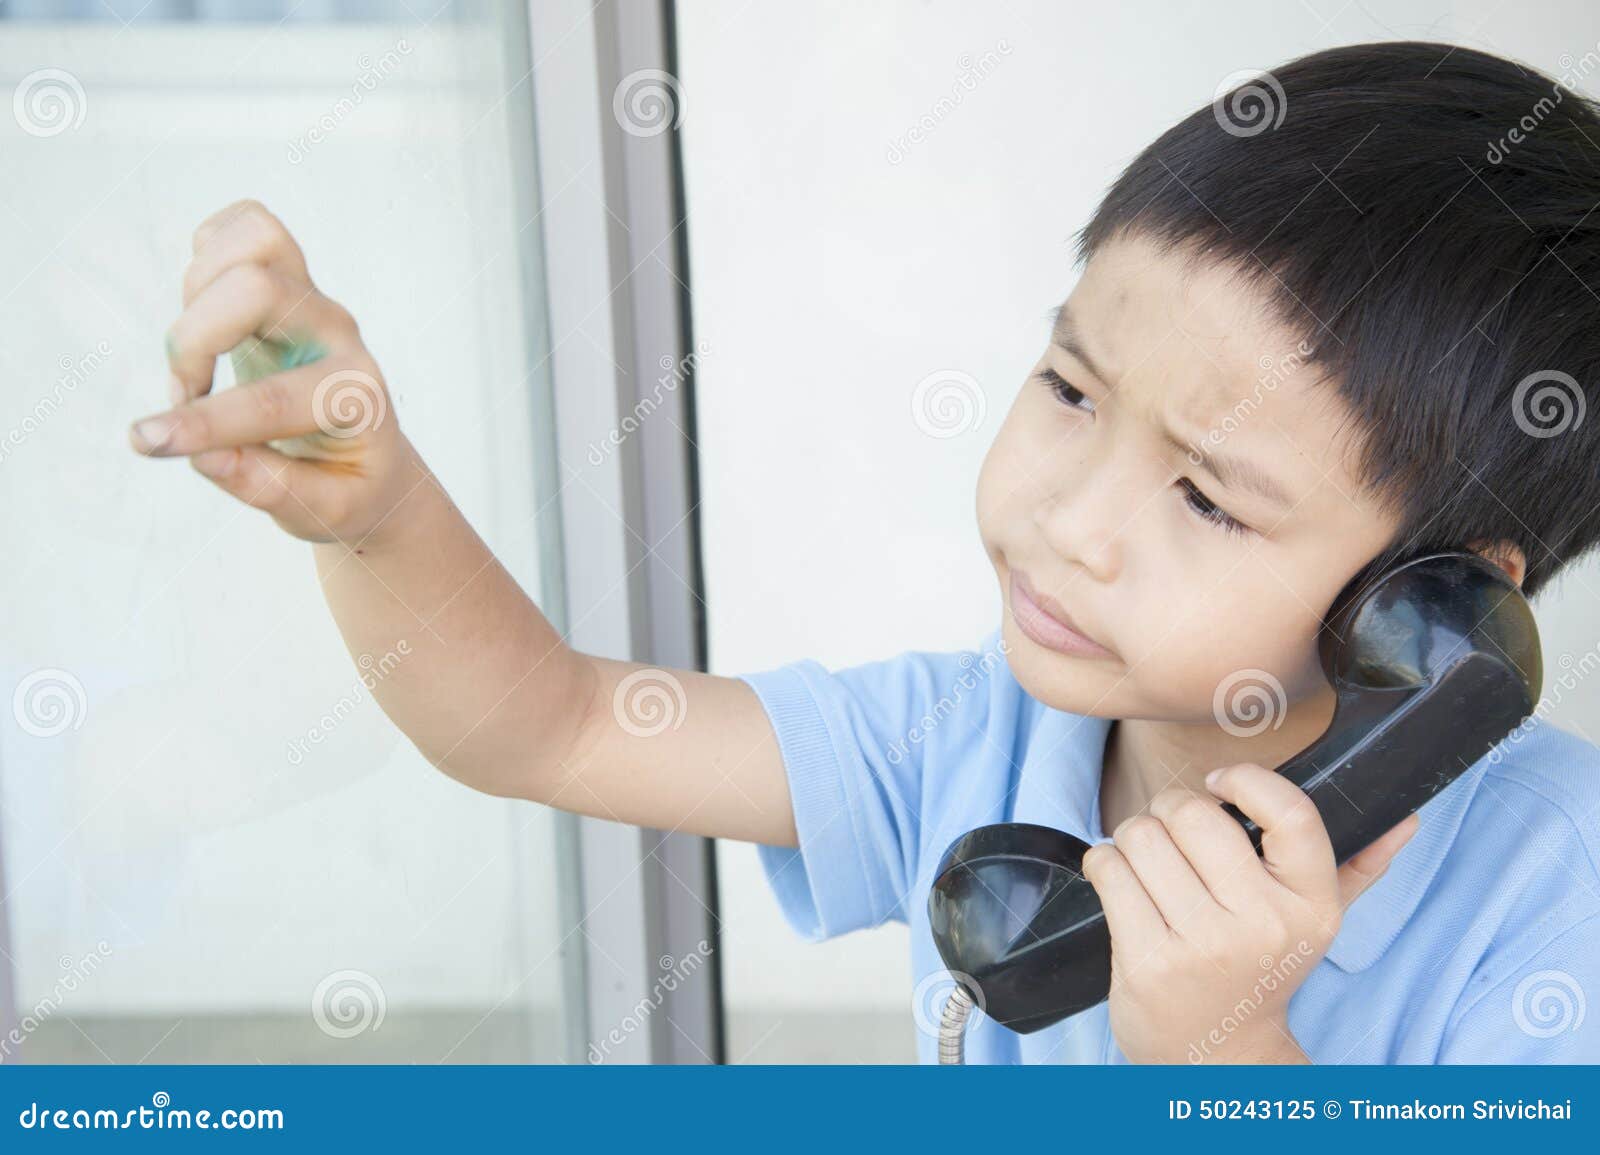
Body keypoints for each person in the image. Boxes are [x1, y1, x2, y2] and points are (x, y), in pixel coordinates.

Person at [129, 40, 1600, 1064]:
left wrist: (1220, 1051)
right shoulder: (971, 741)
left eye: (1208, 499)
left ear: (1443, 606)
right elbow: (550, 723)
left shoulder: (1557, 905)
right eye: (1071, 392)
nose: (1067, 522)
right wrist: (374, 507)